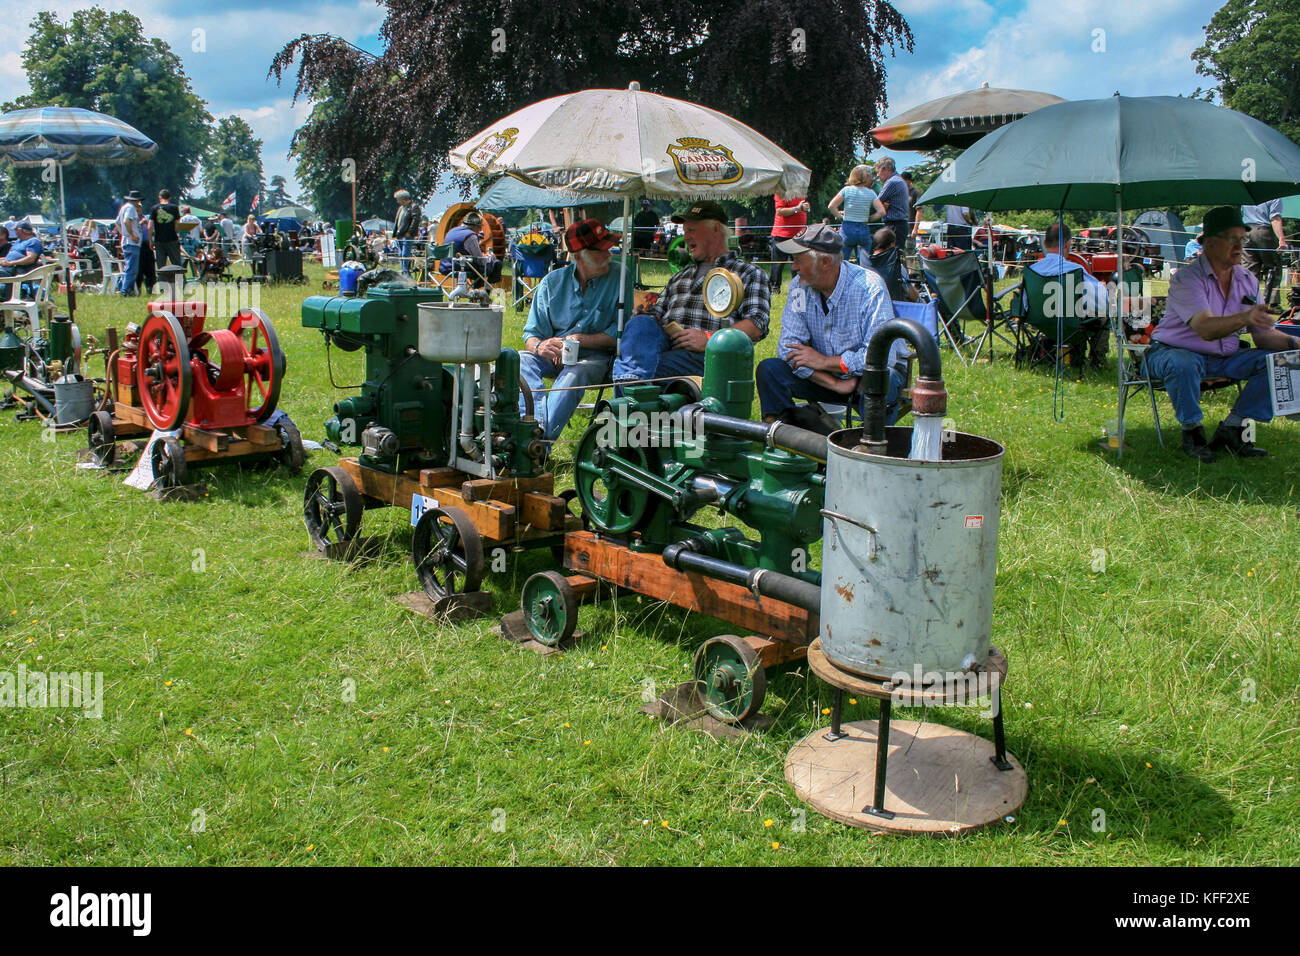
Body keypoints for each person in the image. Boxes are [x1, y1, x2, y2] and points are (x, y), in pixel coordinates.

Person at [1145, 206, 1300, 461]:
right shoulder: (1187, 278)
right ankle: (1192, 432)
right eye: (1232, 239)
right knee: (1183, 363)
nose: (1239, 246)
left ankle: (1233, 428)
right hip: (1172, 353)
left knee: (1278, 362)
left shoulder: (1247, 280)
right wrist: (1245, 316)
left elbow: (1262, 337)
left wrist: (1294, 342)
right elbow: (1205, 329)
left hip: (1225, 357)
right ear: (1208, 242)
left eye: (1243, 239)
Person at [755, 224, 904, 425]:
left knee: (884, 378)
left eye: (799, 259)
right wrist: (833, 383)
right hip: (824, 379)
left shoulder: (869, 288)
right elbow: (788, 348)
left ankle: (869, 448)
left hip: (865, 380)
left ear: (825, 262)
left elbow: (880, 356)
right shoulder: (799, 288)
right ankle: (783, 441)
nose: (794, 267)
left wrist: (824, 362)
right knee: (770, 370)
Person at [613, 201, 769, 385]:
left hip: (711, 359)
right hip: (667, 349)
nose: (686, 237)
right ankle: (633, 388)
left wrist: (709, 340)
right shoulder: (679, 277)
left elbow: (756, 325)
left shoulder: (748, 273)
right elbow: (656, 316)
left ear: (716, 229)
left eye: (692, 230)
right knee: (640, 325)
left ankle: (629, 401)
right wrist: (642, 316)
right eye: (685, 231)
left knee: (634, 370)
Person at [518, 219, 625, 441]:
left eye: (610, 247)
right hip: (555, 358)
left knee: (574, 373)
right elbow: (531, 334)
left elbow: (621, 333)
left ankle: (537, 444)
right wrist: (540, 346)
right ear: (577, 256)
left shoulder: (620, 276)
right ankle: (532, 428)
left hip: (596, 359)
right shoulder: (551, 283)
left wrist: (579, 340)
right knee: (520, 360)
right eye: (601, 250)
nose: (609, 254)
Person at [1024, 222, 1111, 367]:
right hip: (1071, 326)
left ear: (1045, 243)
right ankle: (1097, 361)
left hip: (1040, 324)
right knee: (1102, 314)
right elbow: (1103, 301)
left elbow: (1024, 303)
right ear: (1067, 244)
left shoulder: (1031, 271)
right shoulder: (1075, 270)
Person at [827, 166, 884, 267]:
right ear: (866, 177)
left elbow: (831, 206)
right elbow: (881, 212)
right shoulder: (871, 193)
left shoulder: (846, 190)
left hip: (847, 229)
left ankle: (842, 281)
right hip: (863, 228)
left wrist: (840, 217)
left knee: (842, 263)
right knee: (865, 264)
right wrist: (868, 219)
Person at [1241, 199, 1287, 309]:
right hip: (1264, 231)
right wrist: (1281, 239)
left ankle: (1248, 303)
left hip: (1246, 231)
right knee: (1273, 267)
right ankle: (1272, 303)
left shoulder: (1248, 195)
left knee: (1249, 269)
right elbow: (1275, 218)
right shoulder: (1275, 197)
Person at [445, 211, 501, 287]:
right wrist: (490, 256)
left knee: (480, 268)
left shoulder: (452, 231)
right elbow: (480, 260)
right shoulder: (471, 236)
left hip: (446, 266)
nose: (480, 229)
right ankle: (483, 293)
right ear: (474, 226)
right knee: (496, 264)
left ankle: (477, 293)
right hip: (461, 267)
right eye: (479, 227)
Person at [769, 193, 809, 294]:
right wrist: (798, 209)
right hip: (781, 235)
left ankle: (798, 288)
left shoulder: (800, 192)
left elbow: (799, 208)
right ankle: (774, 289)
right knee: (777, 266)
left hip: (799, 235)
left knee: (798, 264)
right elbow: (780, 211)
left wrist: (805, 208)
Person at [0, 219, 44, 298]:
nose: (15, 232)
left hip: (16, 271)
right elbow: (9, 257)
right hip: (6, 268)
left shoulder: (33, 241)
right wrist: (4, 261)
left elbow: (31, 258)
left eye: (16, 230)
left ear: (21, 230)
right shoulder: (18, 242)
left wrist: (11, 263)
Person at [875, 157, 912, 250]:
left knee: (892, 256)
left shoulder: (892, 182)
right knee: (897, 255)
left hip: (895, 225)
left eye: (878, 171)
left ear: (886, 169)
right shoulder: (899, 180)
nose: (877, 175)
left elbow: (876, 202)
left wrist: (881, 205)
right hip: (899, 224)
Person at [115, 190, 144, 295]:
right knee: (132, 269)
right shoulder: (131, 208)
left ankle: (122, 286)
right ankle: (125, 290)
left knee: (129, 267)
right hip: (132, 243)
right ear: (136, 200)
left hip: (127, 242)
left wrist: (124, 233)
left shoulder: (124, 207)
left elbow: (117, 222)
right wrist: (131, 235)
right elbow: (126, 221)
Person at [150, 189, 183, 269]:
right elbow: (177, 224)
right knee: (177, 264)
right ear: (169, 197)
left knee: (161, 266)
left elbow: (150, 226)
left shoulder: (154, 208)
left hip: (159, 240)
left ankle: (162, 281)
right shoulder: (174, 208)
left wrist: (151, 240)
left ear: (159, 197)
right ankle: (179, 281)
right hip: (172, 239)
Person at [393, 189, 419, 276]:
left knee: (405, 254)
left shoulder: (414, 207)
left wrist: (410, 232)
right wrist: (395, 233)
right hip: (399, 235)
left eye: (398, 199)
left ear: (403, 198)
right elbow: (397, 221)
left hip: (407, 235)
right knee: (401, 254)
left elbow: (415, 220)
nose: (397, 201)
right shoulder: (400, 208)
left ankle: (406, 273)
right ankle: (404, 271)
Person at [901, 170, 923, 251]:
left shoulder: (916, 193)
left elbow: (919, 211)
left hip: (910, 227)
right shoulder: (901, 192)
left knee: (909, 251)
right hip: (901, 226)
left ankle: (911, 264)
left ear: (909, 181)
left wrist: (915, 228)